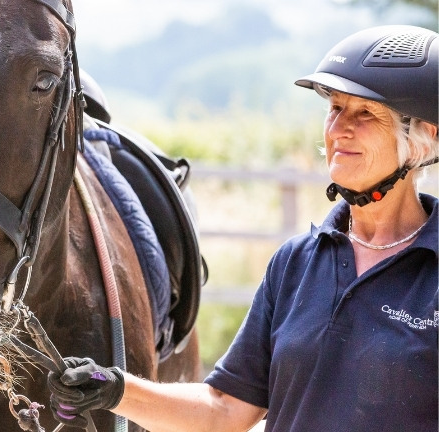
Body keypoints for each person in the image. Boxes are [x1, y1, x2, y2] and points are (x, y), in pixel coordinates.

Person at [46, 25, 438, 432]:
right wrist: (115, 389)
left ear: (424, 136)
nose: (340, 128)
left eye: (365, 113)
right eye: (335, 108)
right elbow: (225, 410)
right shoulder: (296, 263)